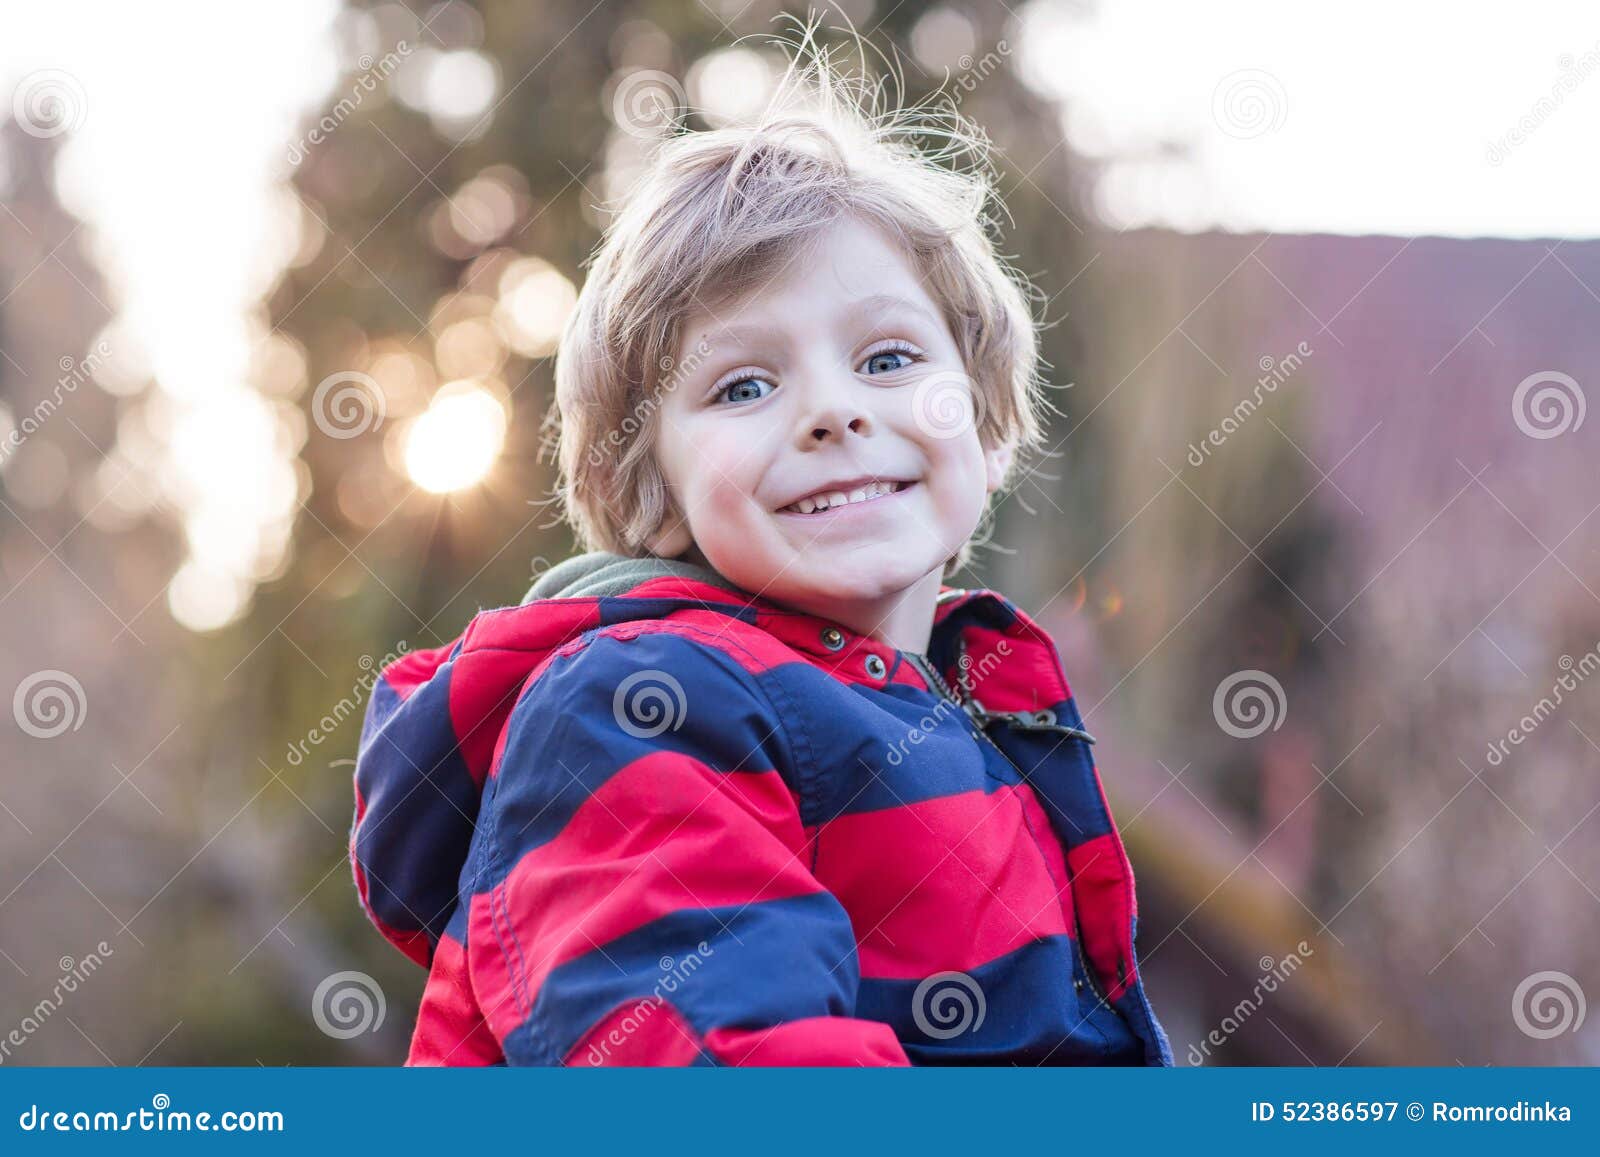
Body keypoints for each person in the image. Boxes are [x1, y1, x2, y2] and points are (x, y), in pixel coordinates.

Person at [349, 35, 1173, 1067]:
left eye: (886, 357)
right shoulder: (633, 705)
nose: (833, 409)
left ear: (985, 417)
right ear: (650, 491)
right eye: (743, 384)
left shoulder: (976, 714)